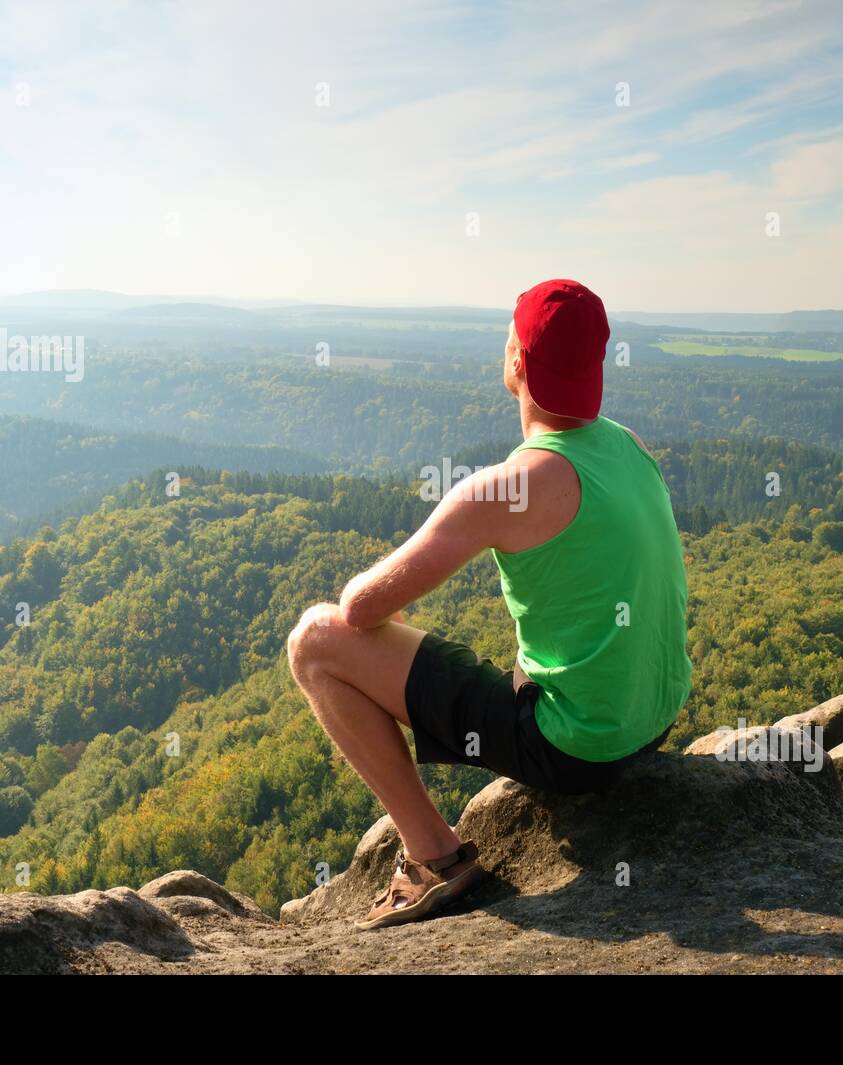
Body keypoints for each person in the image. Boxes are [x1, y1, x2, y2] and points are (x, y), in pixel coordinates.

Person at [287, 278, 693, 929]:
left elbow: (359, 609)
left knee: (315, 641)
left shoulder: (502, 489)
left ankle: (435, 855)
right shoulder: (630, 446)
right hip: (655, 721)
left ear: (516, 363)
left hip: (577, 751)